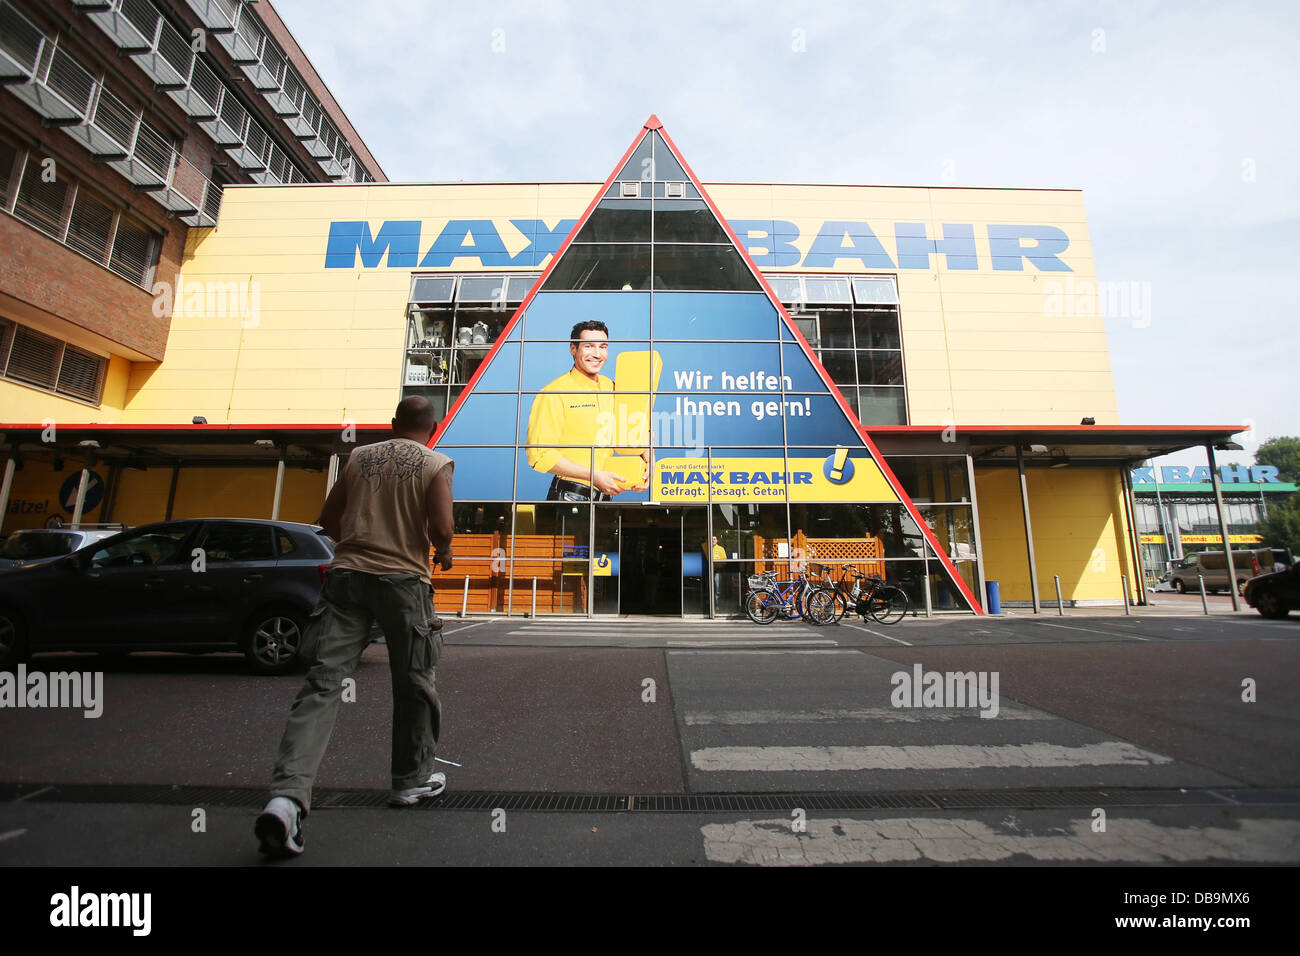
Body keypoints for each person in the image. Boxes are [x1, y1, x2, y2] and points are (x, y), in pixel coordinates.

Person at [255, 396, 455, 858]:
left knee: (322, 685)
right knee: (414, 683)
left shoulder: (360, 456)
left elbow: (329, 518)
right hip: (404, 582)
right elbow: (442, 528)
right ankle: (411, 781)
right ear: (434, 426)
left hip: (346, 579)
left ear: (392, 424)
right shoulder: (436, 462)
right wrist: (441, 552)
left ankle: (286, 800)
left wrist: (360, 546)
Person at [524, 320, 648, 501]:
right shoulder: (554, 393)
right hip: (569, 497)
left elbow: (637, 426)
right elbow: (540, 455)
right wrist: (594, 475)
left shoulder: (613, 388)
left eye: (603, 346)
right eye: (589, 346)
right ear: (573, 349)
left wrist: (648, 463)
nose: (597, 354)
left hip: (606, 499)